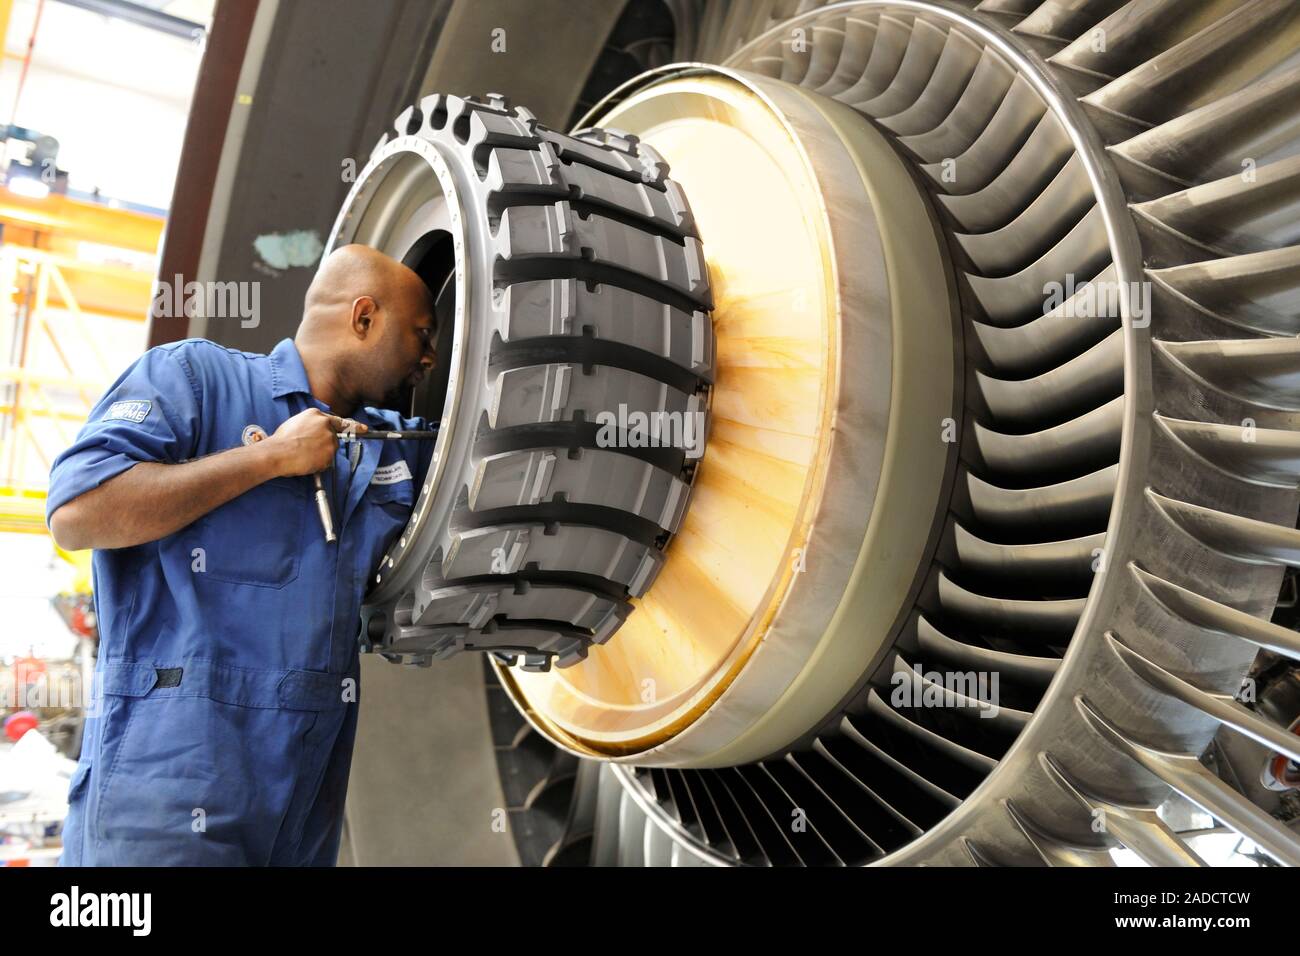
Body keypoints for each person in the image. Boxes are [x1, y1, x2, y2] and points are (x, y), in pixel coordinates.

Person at [45, 244, 437, 865]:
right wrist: (269, 459)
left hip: (301, 809)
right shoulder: (197, 379)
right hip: (164, 800)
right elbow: (77, 510)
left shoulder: (386, 448)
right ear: (364, 318)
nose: (430, 356)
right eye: (421, 333)